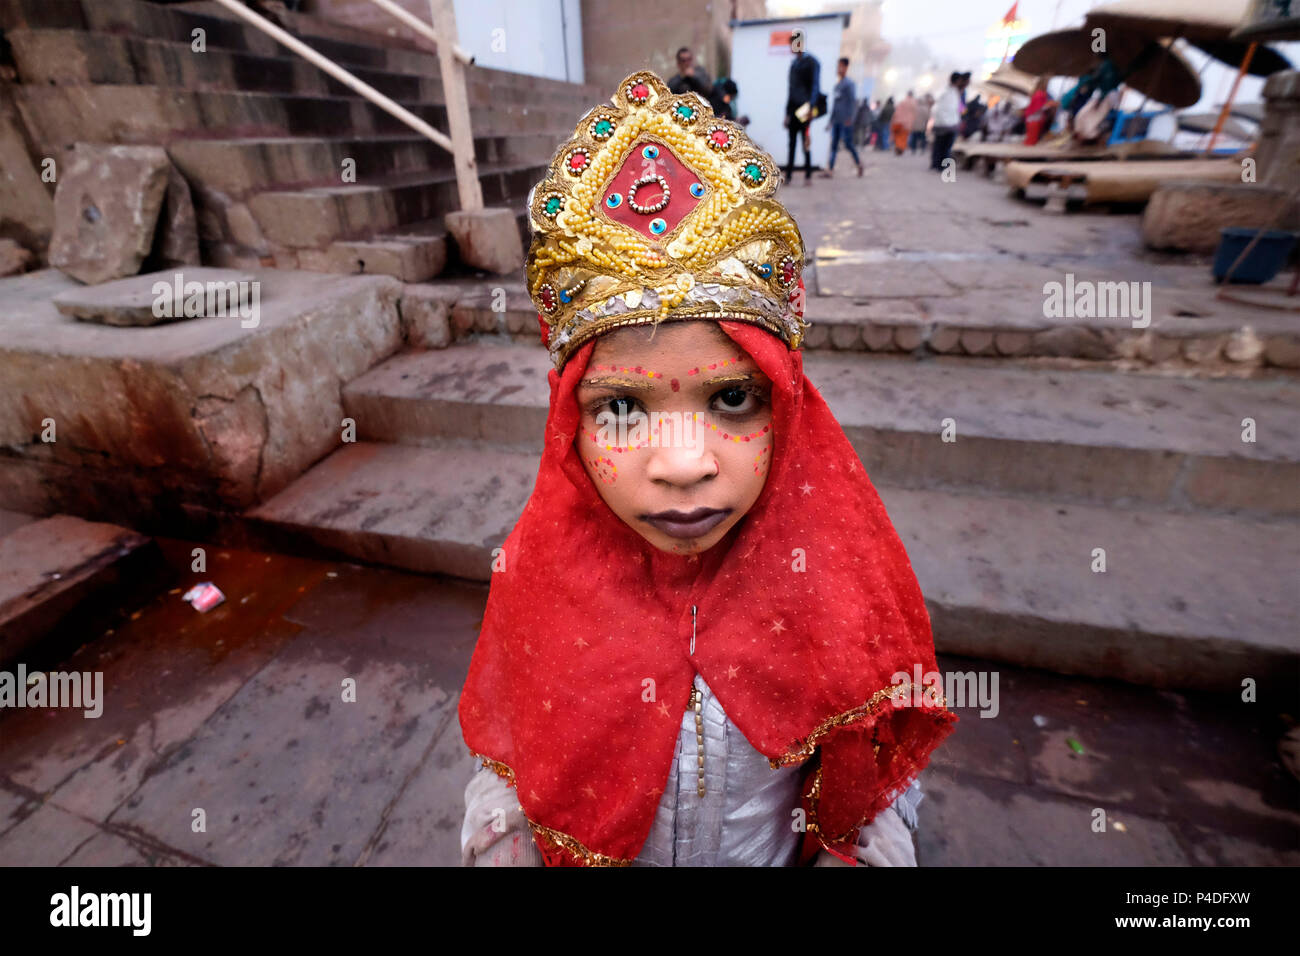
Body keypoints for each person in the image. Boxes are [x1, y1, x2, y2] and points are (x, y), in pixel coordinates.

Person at [458, 70, 958, 868]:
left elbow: (878, 781)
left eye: (733, 398)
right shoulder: (535, 580)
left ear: (788, 413)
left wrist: (865, 848)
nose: (684, 465)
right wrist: (501, 843)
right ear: (569, 430)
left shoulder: (833, 580)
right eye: (621, 408)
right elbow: (507, 760)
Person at [783, 31, 821, 185]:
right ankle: (790, 175)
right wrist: (786, 113)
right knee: (791, 143)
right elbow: (790, 90)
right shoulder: (794, 64)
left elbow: (815, 86)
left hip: (806, 108)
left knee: (805, 140)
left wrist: (811, 107)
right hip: (793, 109)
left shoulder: (812, 62)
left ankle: (808, 175)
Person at [825, 57, 863, 177]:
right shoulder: (838, 85)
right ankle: (830, 169)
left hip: (845, 121)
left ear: (846, 67)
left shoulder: (849, 84)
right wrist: (831, 121)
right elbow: (836, 105)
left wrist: (850, 118)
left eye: (841, 66)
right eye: (838, 66)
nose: (838, 69)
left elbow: (852, 102)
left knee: (848, 144)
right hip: (836, 120)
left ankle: (859, 163)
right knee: (834, 145)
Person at [668, 46, 719, 112]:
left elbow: (709, 90)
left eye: (689, 59)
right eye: (683, 60)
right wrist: (682, 77)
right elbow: (669, 91)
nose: (687, 63)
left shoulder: (701, 73)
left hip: (702, 111)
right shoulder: (675, 79)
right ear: (678, 63)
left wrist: (694, 76)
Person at [930, 72, 963, 171]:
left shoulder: (949, 92)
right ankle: (940, 165)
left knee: (940, 145)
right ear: (957, 81)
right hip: (948, 124)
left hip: (943, 123)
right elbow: (952, 109)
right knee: (944, 146)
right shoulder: (950, 92)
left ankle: (937, 164)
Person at [1023, 76, 1056, 146]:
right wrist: (1051, 104)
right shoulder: (1040, 94)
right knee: (1032, 140)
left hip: (1032, 118)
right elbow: (1039, 107)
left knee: (1031, 139)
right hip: (1034, 119)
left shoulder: (1037, 93)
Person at [891, 91, 917, 156]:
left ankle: (898, 147)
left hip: (898, 121)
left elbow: (897, 112)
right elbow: (914, 114)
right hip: (907, 123)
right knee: (904, 137)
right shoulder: (914, 103)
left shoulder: (902, 102)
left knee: (898, 136)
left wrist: (894, 120)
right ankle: (901, 148)